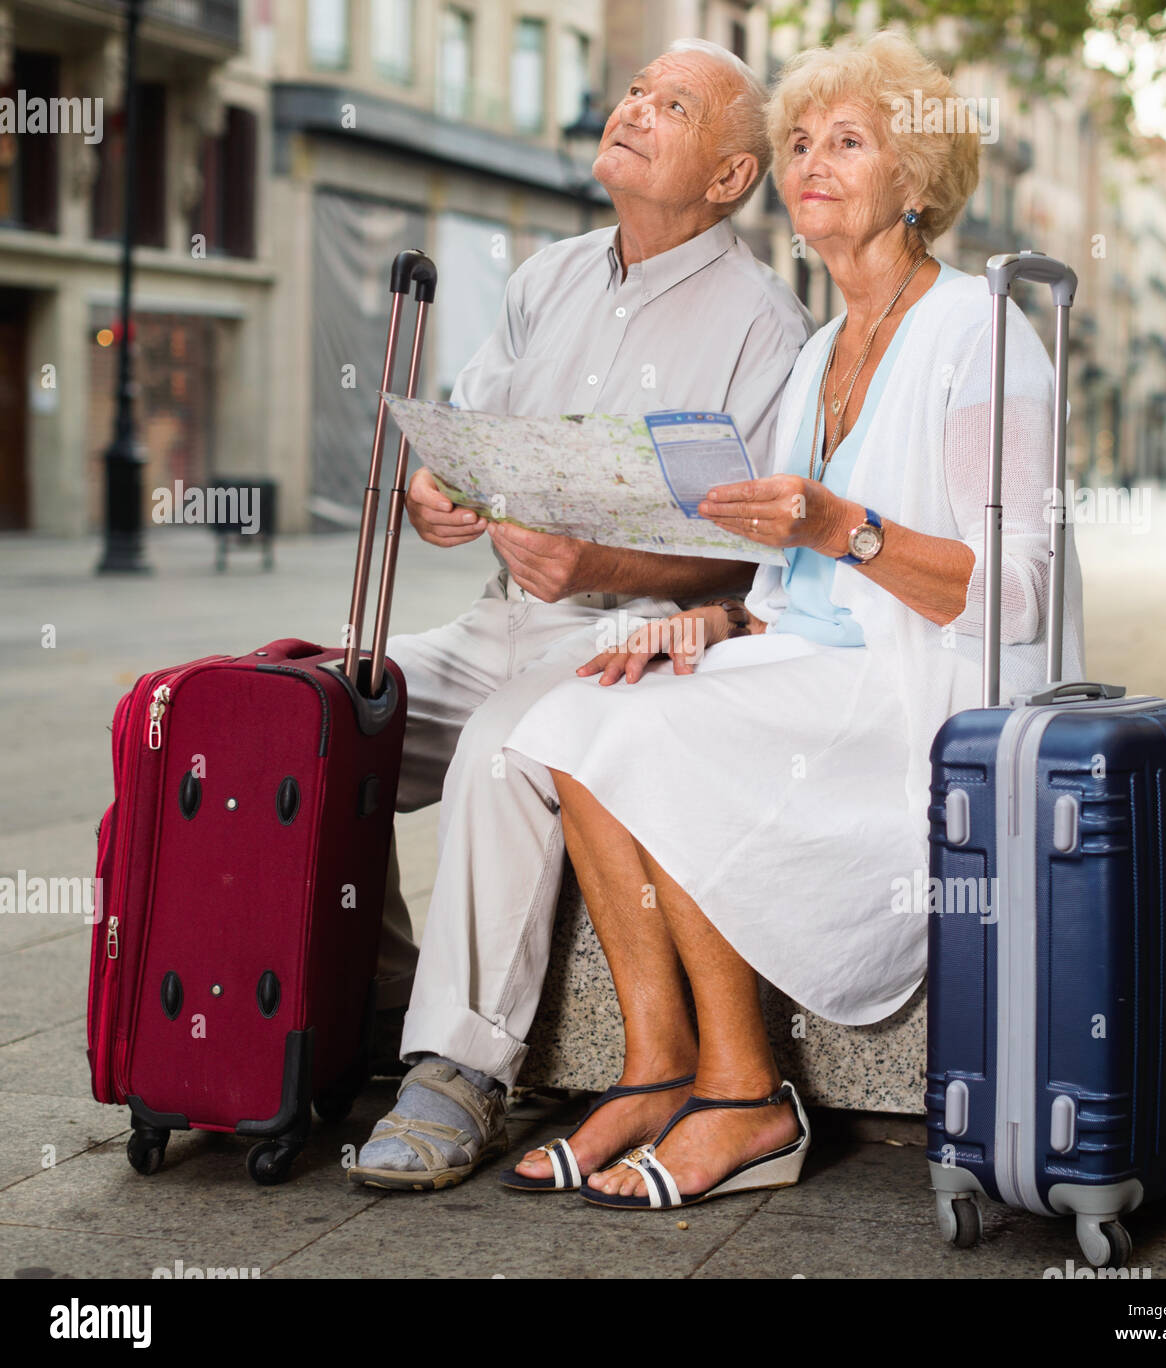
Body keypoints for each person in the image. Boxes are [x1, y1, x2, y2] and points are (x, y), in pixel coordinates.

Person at [499, 30, 1085, 1208]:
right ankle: (660, 1068)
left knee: (665, 740)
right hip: (822, 666)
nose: (813, 161)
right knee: (576, 713)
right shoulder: (821, 346)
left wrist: (843, 528)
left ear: (914, 183)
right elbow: (791, 595)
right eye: (802, 141)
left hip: (933, 692)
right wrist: (715, 627)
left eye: (851, 143)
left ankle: (750, 1098)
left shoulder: (983, 332)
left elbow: (1014, 591)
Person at [349, 39, 814, 1191]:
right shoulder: (542, 278)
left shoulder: (768, 327)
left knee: (502, 759)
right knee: (314, 718)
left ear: (728, 178)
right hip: (494, 613)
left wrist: (599, 560)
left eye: (672, 105)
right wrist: (434, 495)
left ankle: (455, 1070)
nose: (633, 111)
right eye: (634, 94)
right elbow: (465, 440)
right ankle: (364, 994)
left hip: (627, 641)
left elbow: (754, 559)